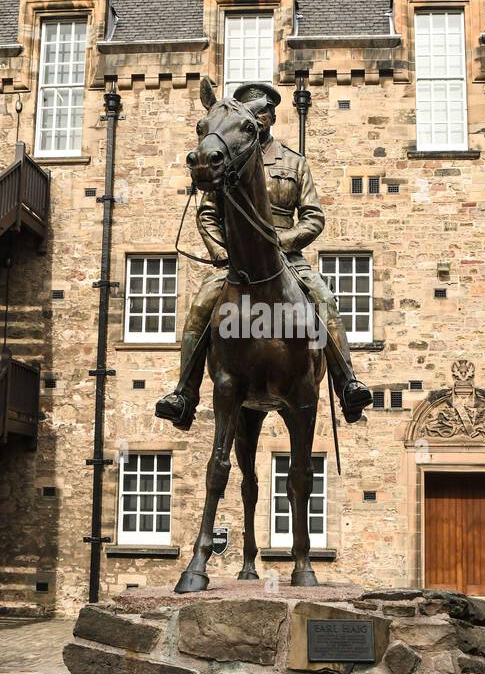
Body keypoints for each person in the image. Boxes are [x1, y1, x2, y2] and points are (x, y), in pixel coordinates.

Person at [155, 80, 373, 431]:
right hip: (237, 261)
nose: (263, 115)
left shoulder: (293, 162)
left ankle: (347, 383)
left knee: (324, 298)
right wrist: (221, 254)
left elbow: (313, 216)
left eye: (266, 110)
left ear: (271, 116)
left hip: (289, 259)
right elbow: (207, 213)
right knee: (201, 306)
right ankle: (184, 394)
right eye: (255, 110)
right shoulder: (229, 158)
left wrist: (284, 242)